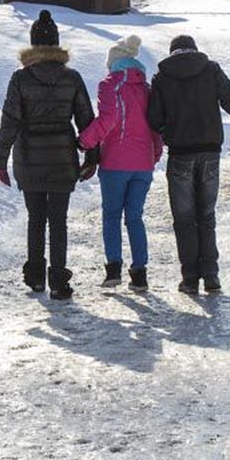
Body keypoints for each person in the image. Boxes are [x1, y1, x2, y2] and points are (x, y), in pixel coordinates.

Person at [147, 35, 230, 295]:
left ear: (172, 52)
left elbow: (154, 118)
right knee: (206, 215)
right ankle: (212, 276)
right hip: (210, 154)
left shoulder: (163, 77)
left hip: (180, 155)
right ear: (194, 49)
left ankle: (190, 279)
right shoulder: (211, 70)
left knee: (184, 219)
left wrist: (169, 131)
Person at [0, 10, 98, 300]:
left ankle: (36, 277)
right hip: (63, 159)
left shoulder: (20, 78)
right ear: (56, 43)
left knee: (36, 219)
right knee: (58, 221)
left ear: (33, 44)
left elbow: (10, 121)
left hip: (29, 158)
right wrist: (92, 157)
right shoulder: (72, 77)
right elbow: (86, 120)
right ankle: (59, 281)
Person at [78, 35, 162, 293]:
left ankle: (113, 269)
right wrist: (155, 153)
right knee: (135, 217)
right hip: (143, 163)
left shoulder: (110, 85)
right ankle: (140, 274)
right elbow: (155, 125)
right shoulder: (146, 88)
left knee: (112, 215)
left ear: (113, 62)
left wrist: (84, 140)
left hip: (116, 161)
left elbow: (108, 120)